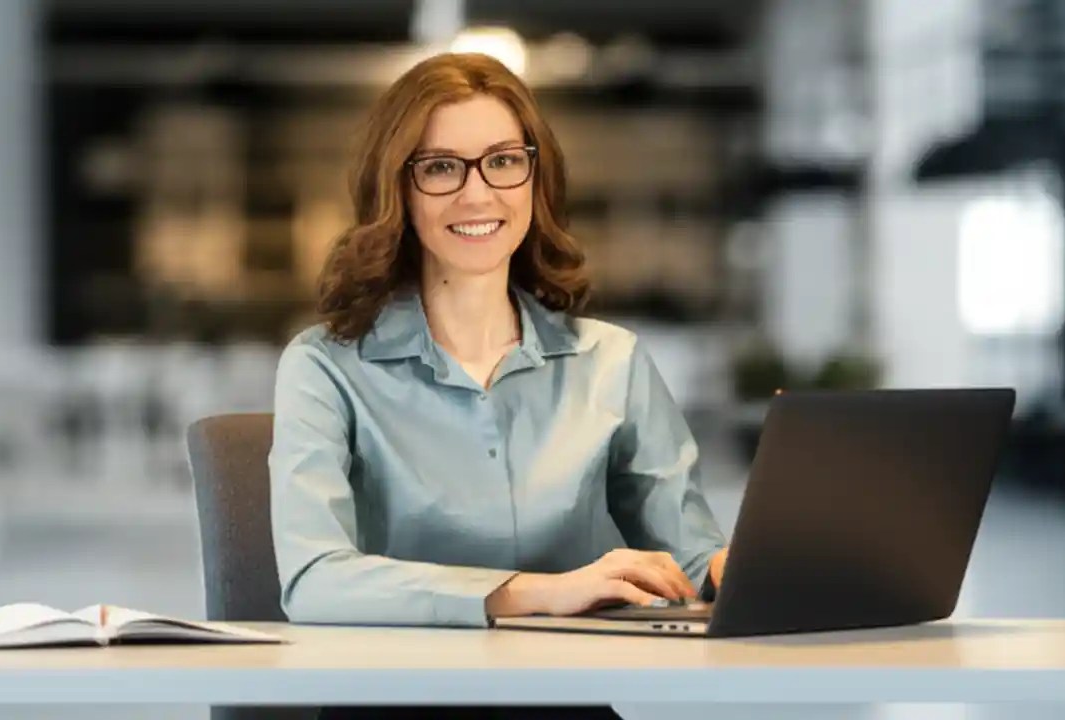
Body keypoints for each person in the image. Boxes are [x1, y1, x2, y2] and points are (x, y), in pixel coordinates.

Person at [268, 52, 729, 719]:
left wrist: (746, 569)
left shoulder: (612, 361)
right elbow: (314, 581)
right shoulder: (323, 369)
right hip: (392, 707)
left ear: (535, 178)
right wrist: (532, 592)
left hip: (562, 706)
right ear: (395, 189)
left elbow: (689, 560)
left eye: (504, 160)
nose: (478, 193)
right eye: (441, 168)